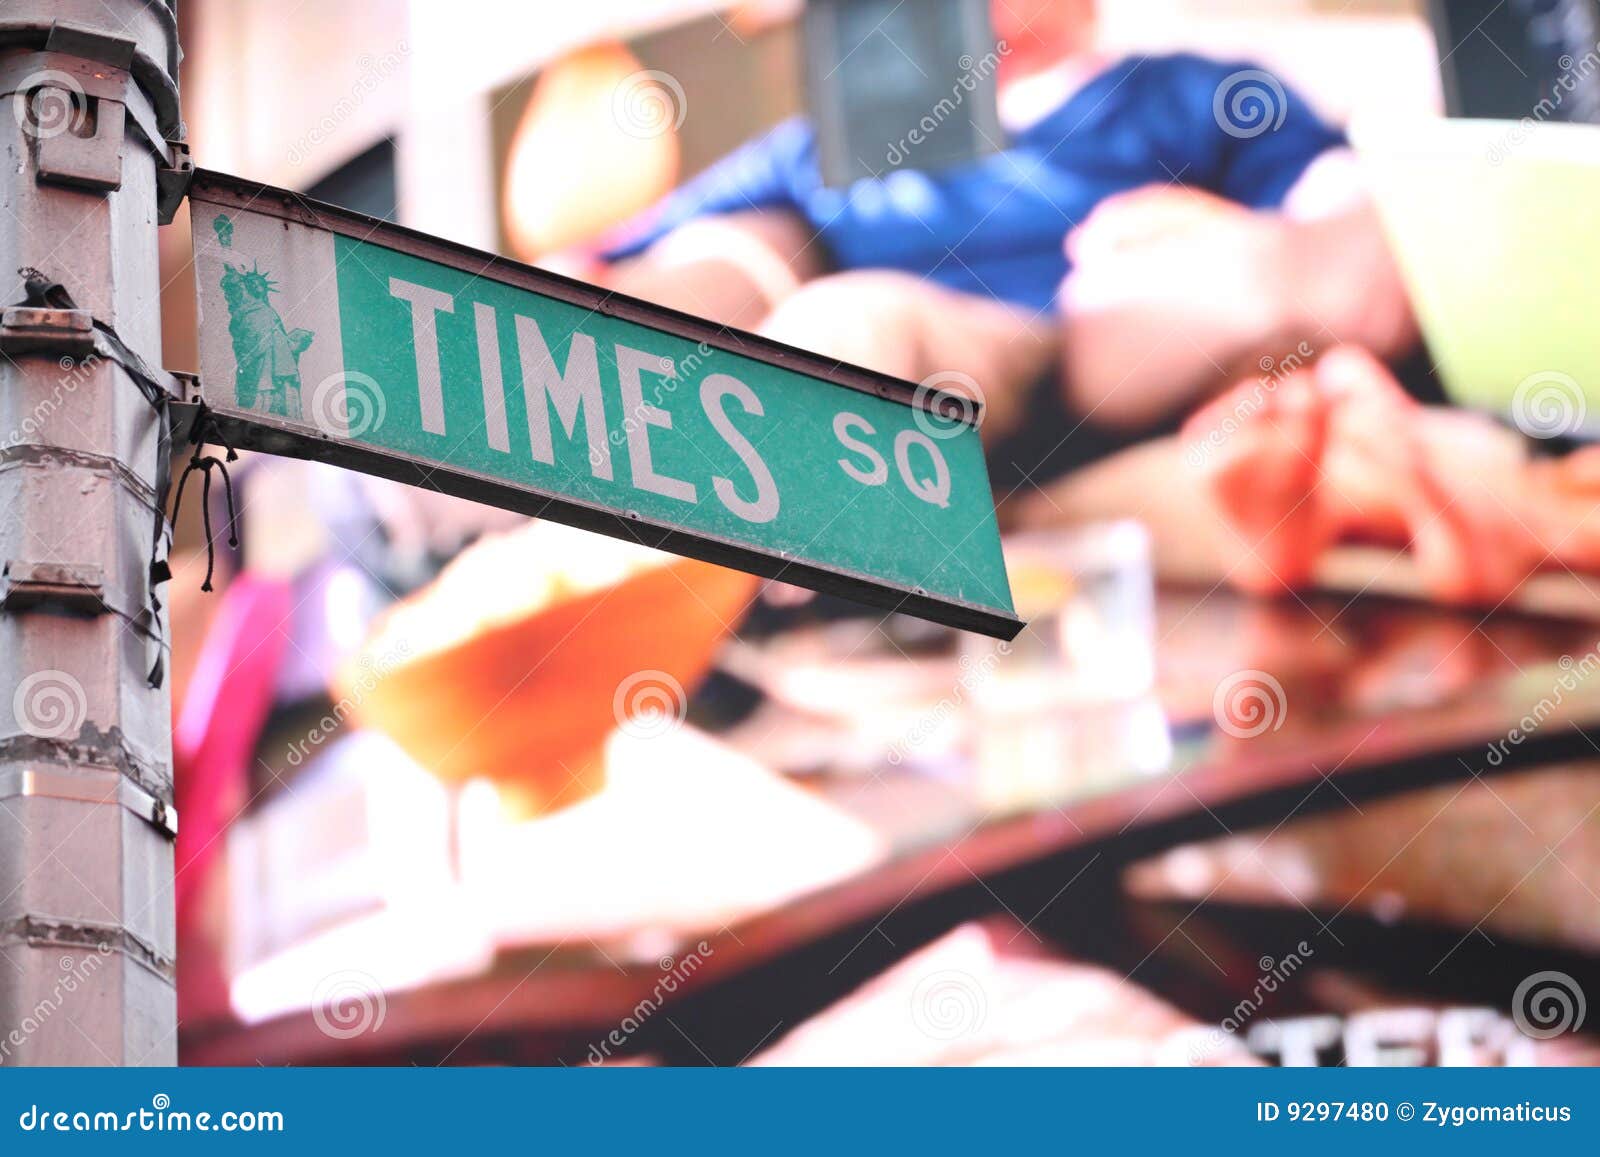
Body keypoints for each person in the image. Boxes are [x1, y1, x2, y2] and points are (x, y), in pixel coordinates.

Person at [566, 0, 1413, 450]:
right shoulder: (840, 137)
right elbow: (632, 244)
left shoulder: (1180, 92)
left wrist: (1213, 222)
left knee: (856, 319)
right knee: (827, 325)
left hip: (1064, 335)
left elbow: (1341, 215)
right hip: (875, 343)